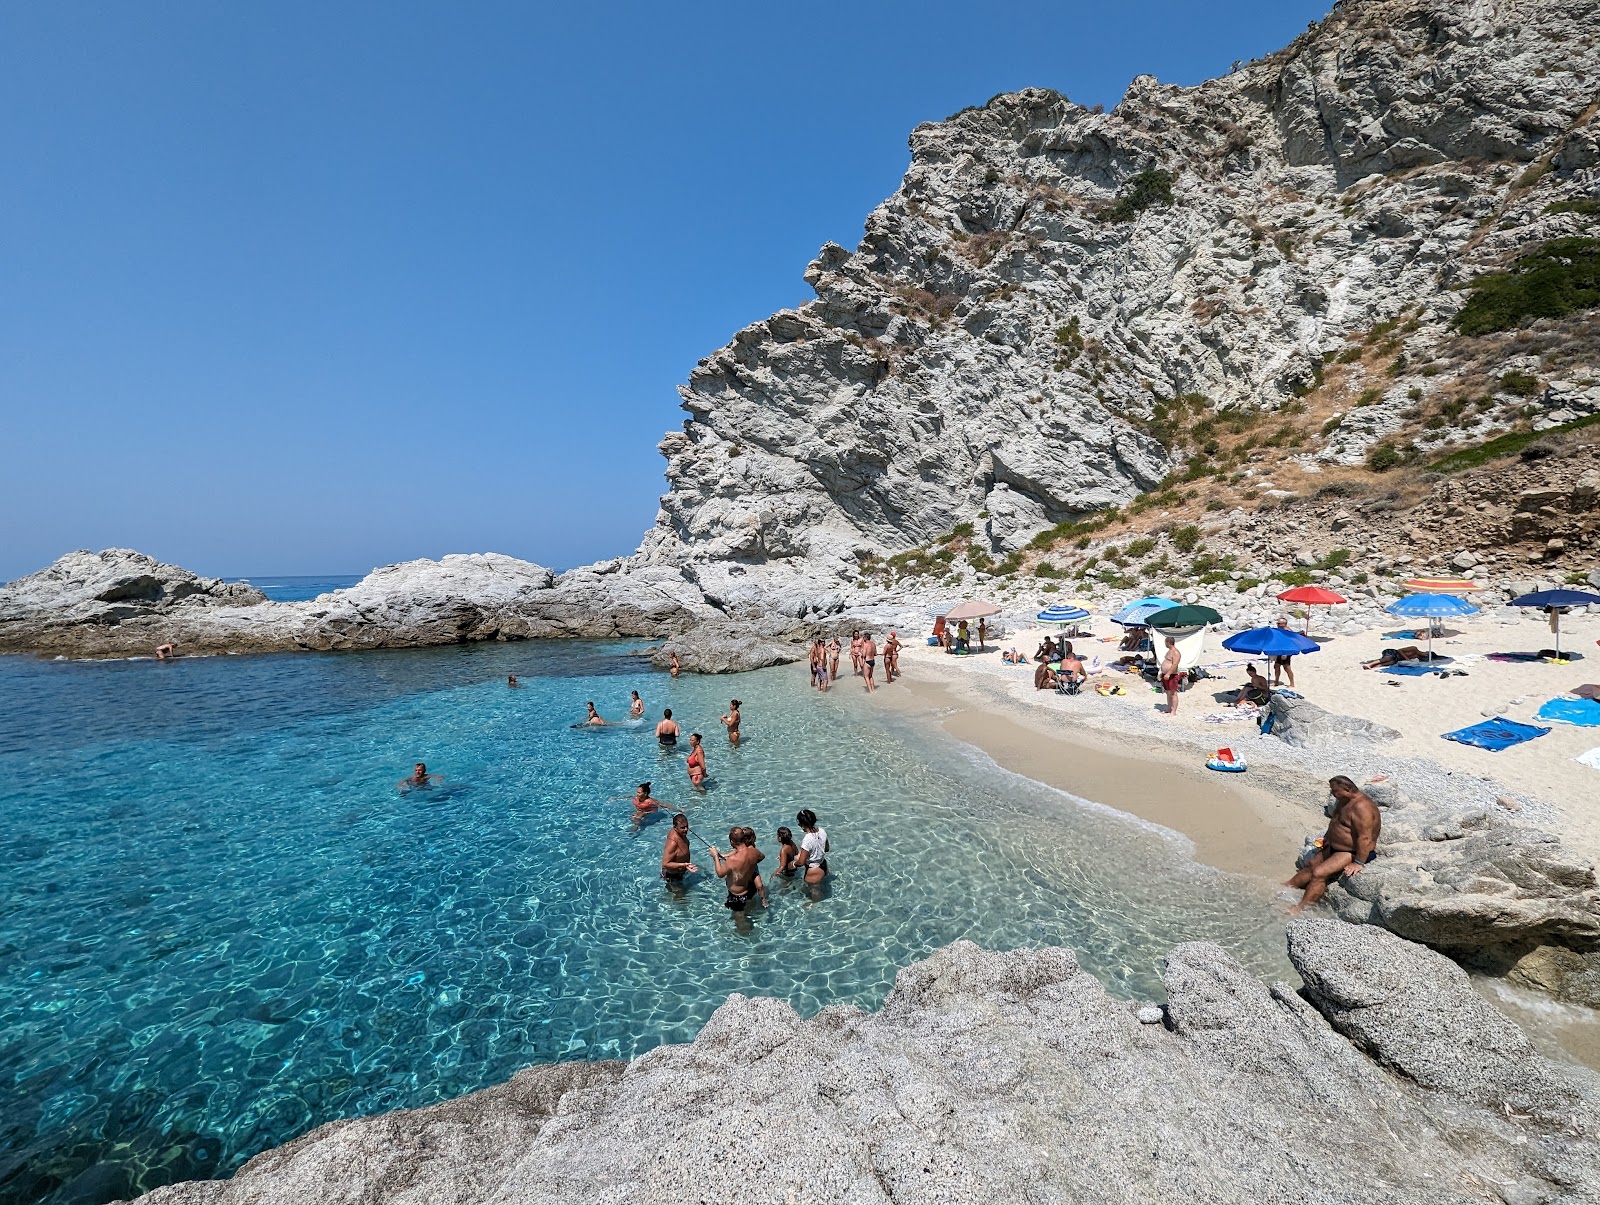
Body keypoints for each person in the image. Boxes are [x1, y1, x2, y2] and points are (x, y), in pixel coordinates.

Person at [1287, 776, 1381, 914]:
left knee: (1319, 873)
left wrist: (1358, 862)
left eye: (1335, 791)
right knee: (1312, 864)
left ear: (1347, 789)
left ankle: (1302, 907)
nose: (1332, 793)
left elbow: (1365, 838)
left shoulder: (1362, 808)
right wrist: (1326, 839)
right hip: (1334, 846)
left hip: (1351, 851)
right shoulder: (1343, 800)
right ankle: (1289, 886)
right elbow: (1337, 823)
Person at [708, 827, 764, 912]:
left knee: (740, 922)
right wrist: (749, 867)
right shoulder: (754, 851)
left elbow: (720, 873)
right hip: (750, 888)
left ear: (732, 841)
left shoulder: (732, 860)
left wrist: (715, 856)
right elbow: (762, 857)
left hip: (738, 896)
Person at [795, 808, 829, 885]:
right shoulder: (822, 831)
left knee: (814, 894)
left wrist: (793, 864)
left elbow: (801, 862)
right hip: (823, 865)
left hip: (813, 870)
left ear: (803, 825)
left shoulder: (807, 840)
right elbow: (826, 849)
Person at [661, 813, 697, 884]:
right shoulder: (673, 843)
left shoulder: (680, 833)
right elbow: (665, 864)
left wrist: (686, 865)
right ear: (675, 827)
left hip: (683, 870)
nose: (686, 829)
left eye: (687, 826)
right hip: (672, 876)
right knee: (681, 895)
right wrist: (684, 865)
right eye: (682, 827)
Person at [1159, 636, 1183, 717]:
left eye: (1165, 642)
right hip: (1165, 674)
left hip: (1172, 675)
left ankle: (1174, 711)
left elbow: (1175, 664)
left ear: (1168, 643)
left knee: (1173, 693)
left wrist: (1168, 673)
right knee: (1168, 692)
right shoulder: (1169, 651)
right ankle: (1169, 709)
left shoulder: (1175, 652)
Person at [1271, 618, 1297, 689]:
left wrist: (1285, 653)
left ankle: (1292, 683)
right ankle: (1276, 681)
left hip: (1286, 651)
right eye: (1277, 623)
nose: (1277, 625)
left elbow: (1290, 643)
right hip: (1280, 650)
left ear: (1284, 624)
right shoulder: (1280, 630)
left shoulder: (1287, 631)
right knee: (1276, 666)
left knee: (1287, 668)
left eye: (1279, 624)